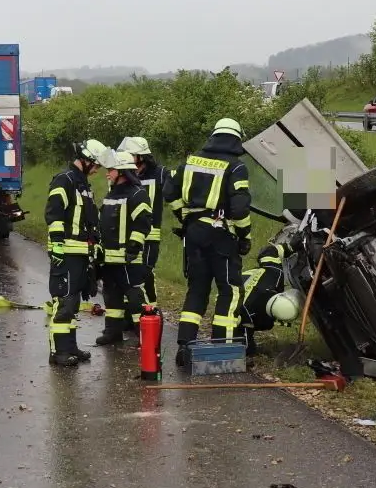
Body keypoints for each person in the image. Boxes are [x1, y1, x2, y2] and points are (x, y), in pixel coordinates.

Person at [167, 118, 253, 363]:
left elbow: (170, 191)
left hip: (193, 235)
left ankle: (185, 347)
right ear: (236, 139)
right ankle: (222, 351)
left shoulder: (190, 162)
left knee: (197, 289)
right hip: (221, 236)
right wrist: (245, 236)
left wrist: (184, 216)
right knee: (230, 290)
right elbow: (239, 209)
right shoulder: (236, 167)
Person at [44, 138, 110, 366]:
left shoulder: (83, 185)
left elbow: (90, 220)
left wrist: (96, 245)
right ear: (86, 160)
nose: (98, 170)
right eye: (97, 165)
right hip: (67, 253)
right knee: (64, 302)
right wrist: (58, 247)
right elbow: (54, 215)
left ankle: (70, 347)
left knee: (73, 304)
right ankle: (58, 352)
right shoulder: (65, 181)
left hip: (82, 253)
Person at [94, 150, 153, 346]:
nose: (107, 173)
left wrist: (133, 247)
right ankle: (113, 332)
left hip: (128, 259)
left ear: (121, 172)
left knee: (135, 298)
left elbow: (143, 223)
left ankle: (144, 334)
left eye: (110, 169)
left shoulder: (137, 194)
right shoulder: (111, 194)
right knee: (111, 298)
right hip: (109, 259)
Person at [117, 136, 172, 335]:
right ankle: (130, 317)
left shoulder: (161, 173)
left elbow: (176, 192)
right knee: (125, 276)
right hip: (126, 237)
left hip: (149, 237)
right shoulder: (122, 174)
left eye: (130, 154)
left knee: (144, 275)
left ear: (140, 156)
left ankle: (150, 314)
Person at [237, 242, 298, 355]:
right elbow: (268, 252)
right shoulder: (274, 273)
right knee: (245, 347)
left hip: (234, 304)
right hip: (238, 311)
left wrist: (291, 246)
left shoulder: (271, 273)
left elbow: (269, 251)